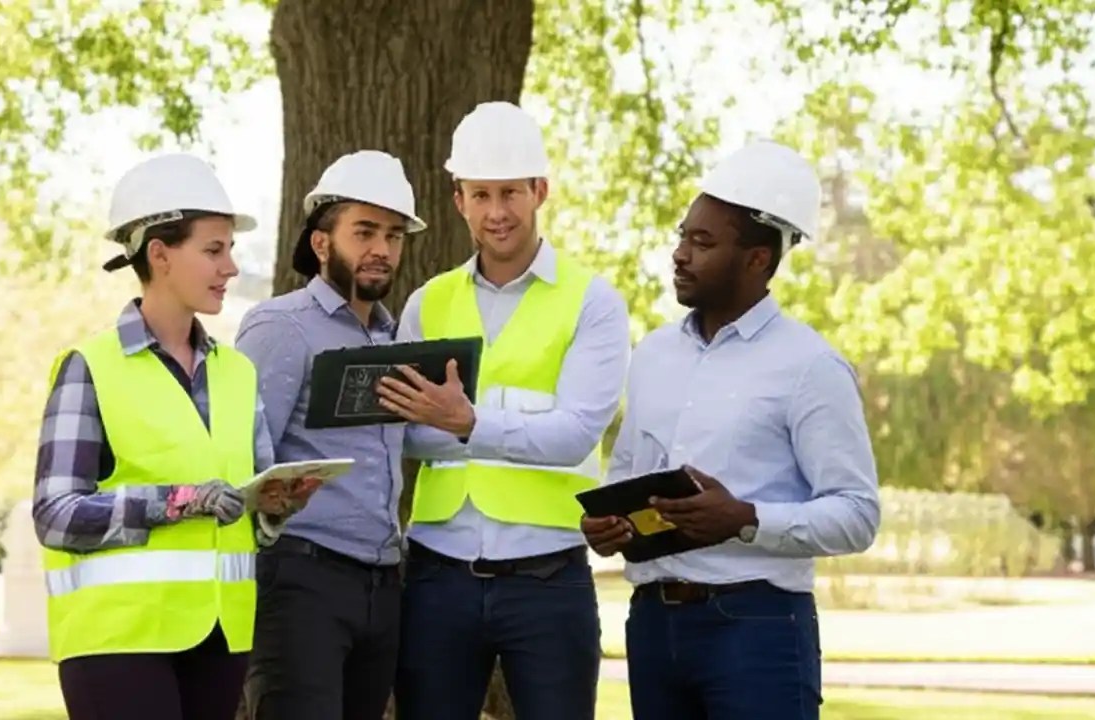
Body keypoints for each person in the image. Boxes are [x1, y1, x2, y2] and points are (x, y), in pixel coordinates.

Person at [580, 140, 882, 720]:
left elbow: (858, 514)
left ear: (757, 261)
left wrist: (745, 519)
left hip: (757, 631)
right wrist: (607, 526)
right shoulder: (652, 355)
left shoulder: (811, 367)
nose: (679, 254)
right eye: (682, 236)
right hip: (652, 627)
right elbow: (625, 476)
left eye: (703, 243)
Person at [375, 101, 632, 720]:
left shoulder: (592, 304)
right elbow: (399, 436)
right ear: (458, 198)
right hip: (438, 573)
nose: (497, 212)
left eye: (511, 193)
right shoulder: (427, 302)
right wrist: (513, 421)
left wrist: (466, 421)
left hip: (549, 577)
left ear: (539, 191)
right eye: (481, 194)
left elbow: (574, 436)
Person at [32, 152, 291, 720]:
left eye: (230, 250)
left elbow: (244, 500)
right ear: (160, 255)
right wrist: (176, 503)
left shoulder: (238, 372)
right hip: (117, 642)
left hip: (221, 635)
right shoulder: (89, 366)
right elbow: (54, 514)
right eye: (214, 249)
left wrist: (270, 506)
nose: (230, 267)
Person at [235, 149, 427, 720]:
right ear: (322, 243)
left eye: (393, 235)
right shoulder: (281, 326)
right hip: (301, 582)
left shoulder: (394, 341)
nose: (381, 249)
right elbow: (242, 459)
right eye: (364, 231)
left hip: (382, 585)